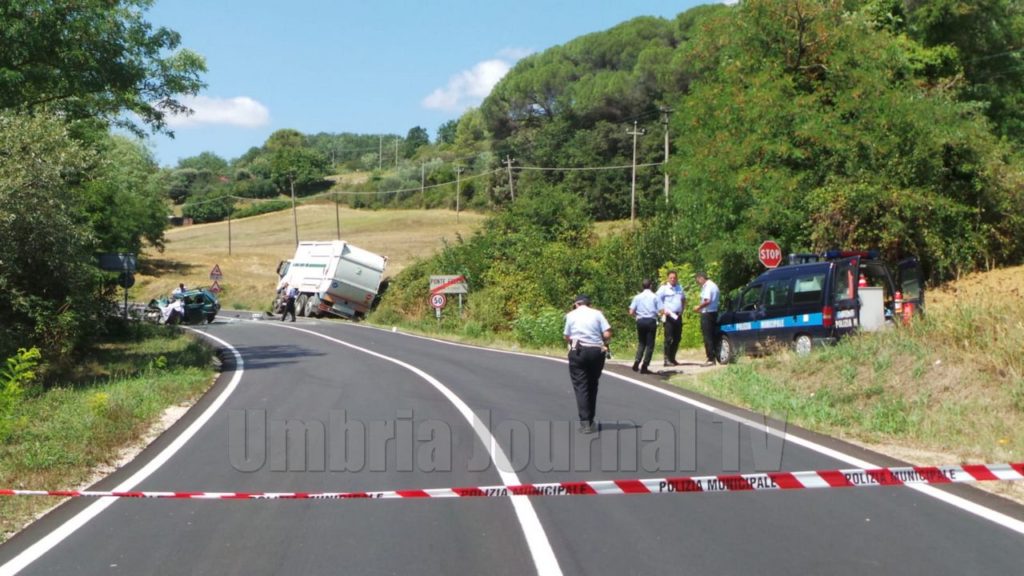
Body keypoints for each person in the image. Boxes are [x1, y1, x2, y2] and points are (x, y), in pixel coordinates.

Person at [563, 294, 612, 434]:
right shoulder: (598, 314)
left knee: (581, 385)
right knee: (592, 383)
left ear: (577, 304)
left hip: (578, 351)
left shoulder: (571, 315)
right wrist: (601, 340)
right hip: (596, 351)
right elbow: (608, 333)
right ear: (588, 304)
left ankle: (586, 423)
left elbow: (566, 335)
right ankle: (591, 419)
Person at [628, 278, 659, 374]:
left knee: (641, 342)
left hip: (640, 320)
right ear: (651, 286)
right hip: (651, 320)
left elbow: (631, 311)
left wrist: (637, 316)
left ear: (642, 287)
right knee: (650, 344)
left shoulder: (637, 297)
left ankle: (637, 360)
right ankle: (645, 365)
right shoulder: (654, 297)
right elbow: (661, 310)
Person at [655, 271, 686, 366]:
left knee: (677, 338)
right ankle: (666, 359)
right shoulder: (664, 289)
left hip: (677, 316)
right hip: (668, 316)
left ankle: (672, 358)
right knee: (669, 338)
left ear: (677, 278)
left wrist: (682, 309)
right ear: (668, 278)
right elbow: (656, 299)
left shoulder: (679, 288)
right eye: (671, 278)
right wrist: (662, 310)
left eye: (674, 278)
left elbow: (683, 299)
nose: (673, 279)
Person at [693, 272, 720, 366]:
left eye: (698, 280)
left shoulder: (707, 286)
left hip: (708, 314)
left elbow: (707, 301)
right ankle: (716, 356)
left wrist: (698, 307)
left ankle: (710, 359)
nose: (698, 282)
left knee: (707, 336)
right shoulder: (713, 285)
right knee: (713, 336)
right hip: (713, 312)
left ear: (701, 278)